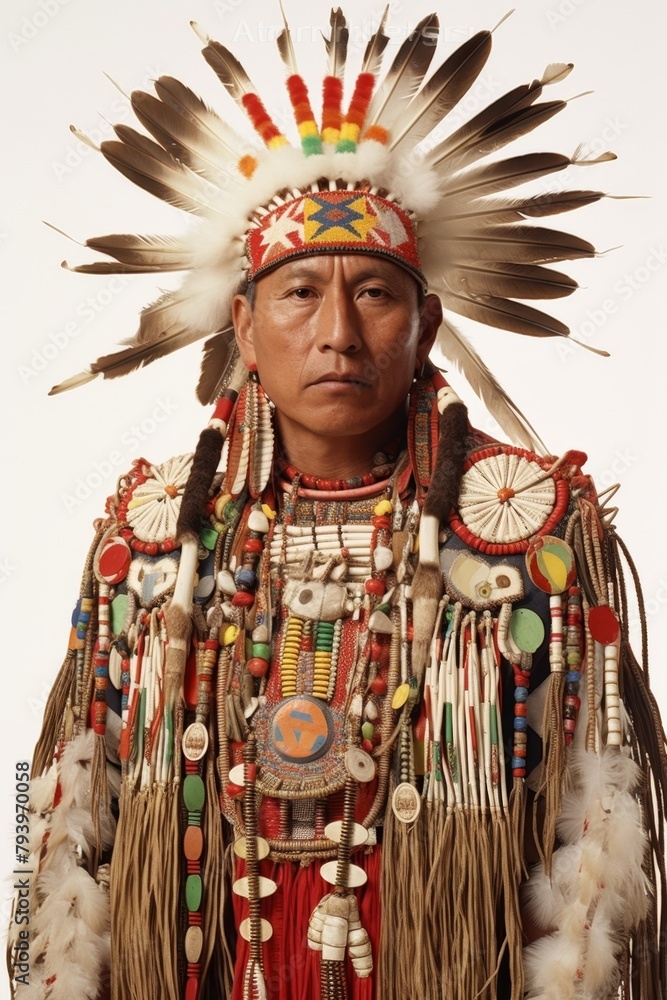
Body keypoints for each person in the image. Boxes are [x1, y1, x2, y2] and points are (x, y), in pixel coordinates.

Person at [7, 8, 667, 1000]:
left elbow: (599, 864)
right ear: (243, 321)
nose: (336, 333)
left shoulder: (530, 533)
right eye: (299, 291)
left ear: (426, 320)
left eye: (374, 293)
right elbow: (49, 818)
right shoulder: (148, 544)